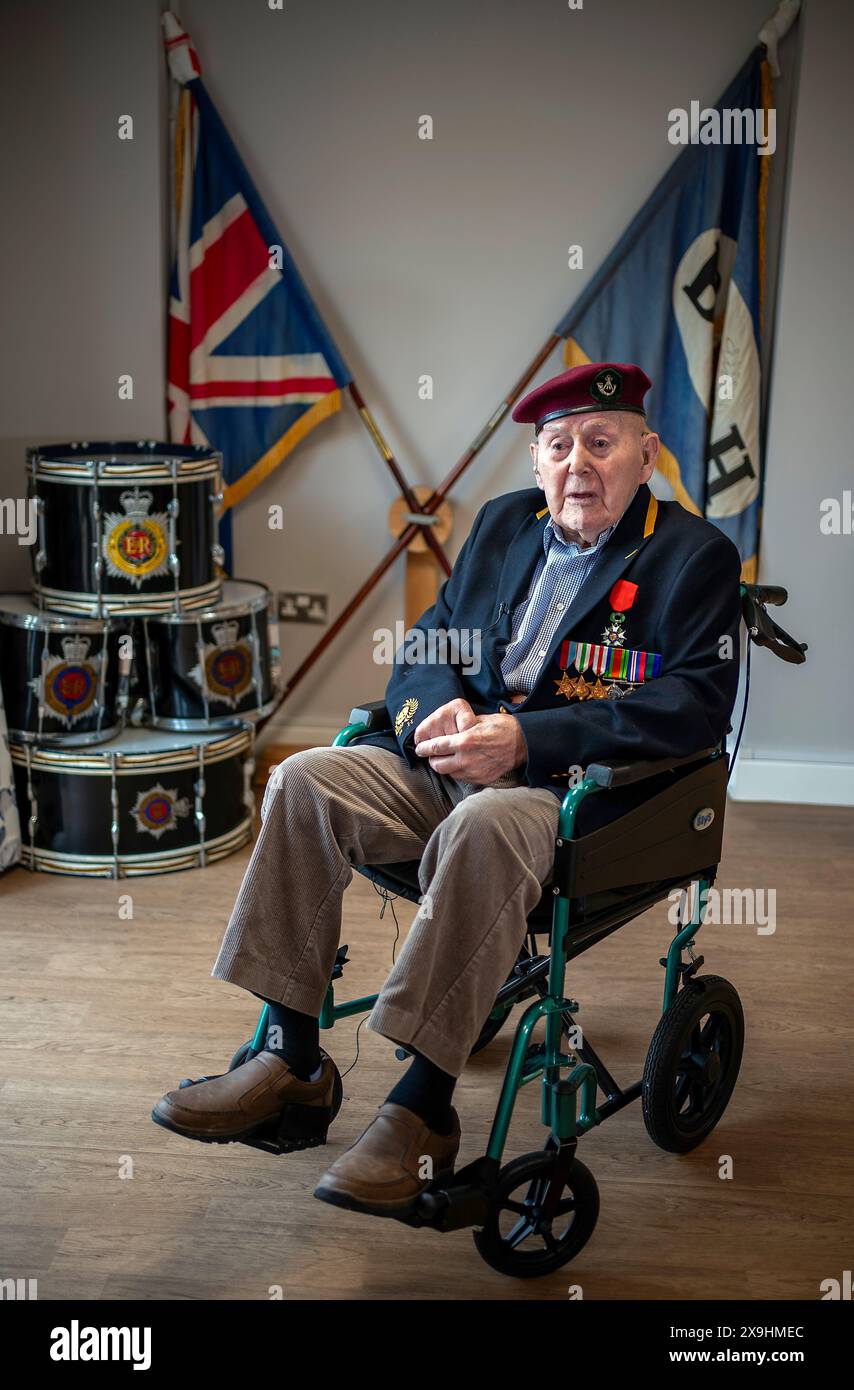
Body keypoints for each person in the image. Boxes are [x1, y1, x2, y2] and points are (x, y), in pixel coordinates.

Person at [152, 361, 742, 1222]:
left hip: (580, 800)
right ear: (538, 464)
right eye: (558, 444)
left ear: (645, 455)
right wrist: (440, 707)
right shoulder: (506, 525)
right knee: (305, 779)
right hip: (451, 768)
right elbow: (430, 644)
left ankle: (420, 1111)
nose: (579, 461)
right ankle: (291, 1058)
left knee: (491, 828)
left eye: (601, 442)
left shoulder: (692, 557)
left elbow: (693, 705)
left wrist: (530, 738)